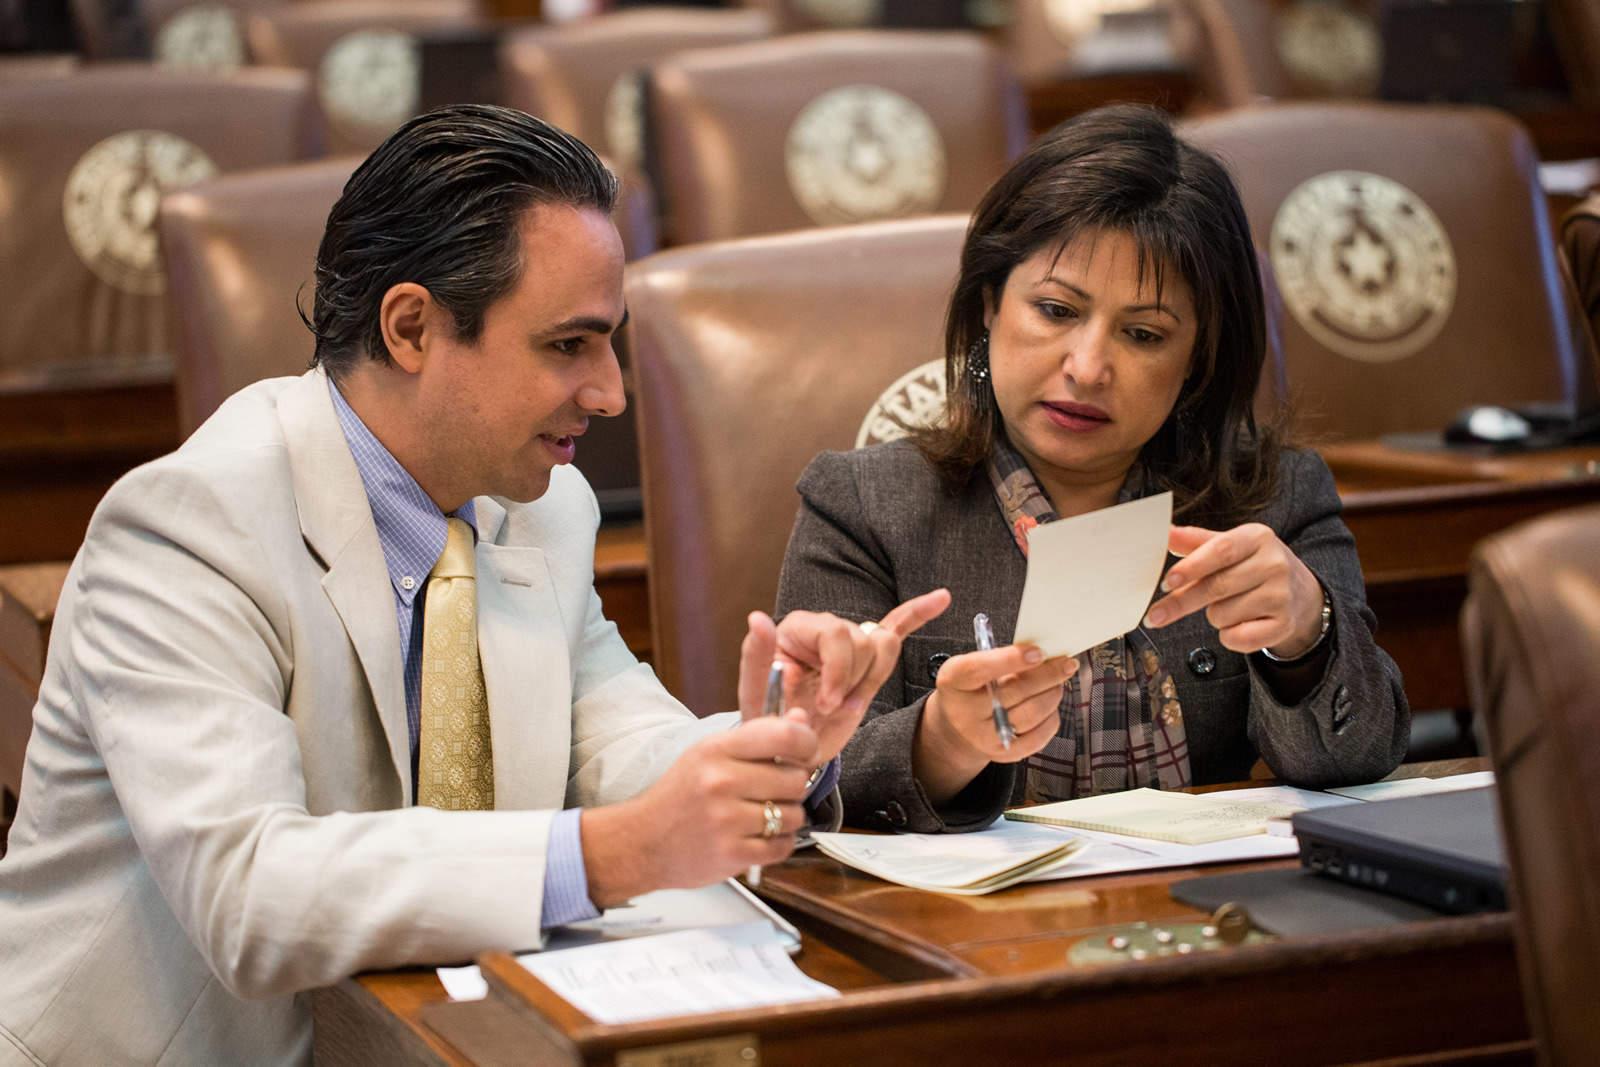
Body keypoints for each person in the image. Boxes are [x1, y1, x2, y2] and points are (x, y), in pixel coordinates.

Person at [0, 105, 944, 1065]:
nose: (612, 391)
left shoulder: (545, 507)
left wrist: (776, 752)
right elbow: (251, 893)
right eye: (568, 345)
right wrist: (618, 852)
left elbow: (621, 738)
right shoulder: (187, 527)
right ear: (412, 327)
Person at [775, 105, 1409, 834]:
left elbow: (1363, 757)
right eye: (1054, 310)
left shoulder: (1277, 497)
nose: (1087, 368)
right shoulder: (860, 506)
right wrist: (943, 740)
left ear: (1198, 356)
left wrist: (1305, 635)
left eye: (1143, 334)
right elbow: (804, 780)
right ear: (989, 304)